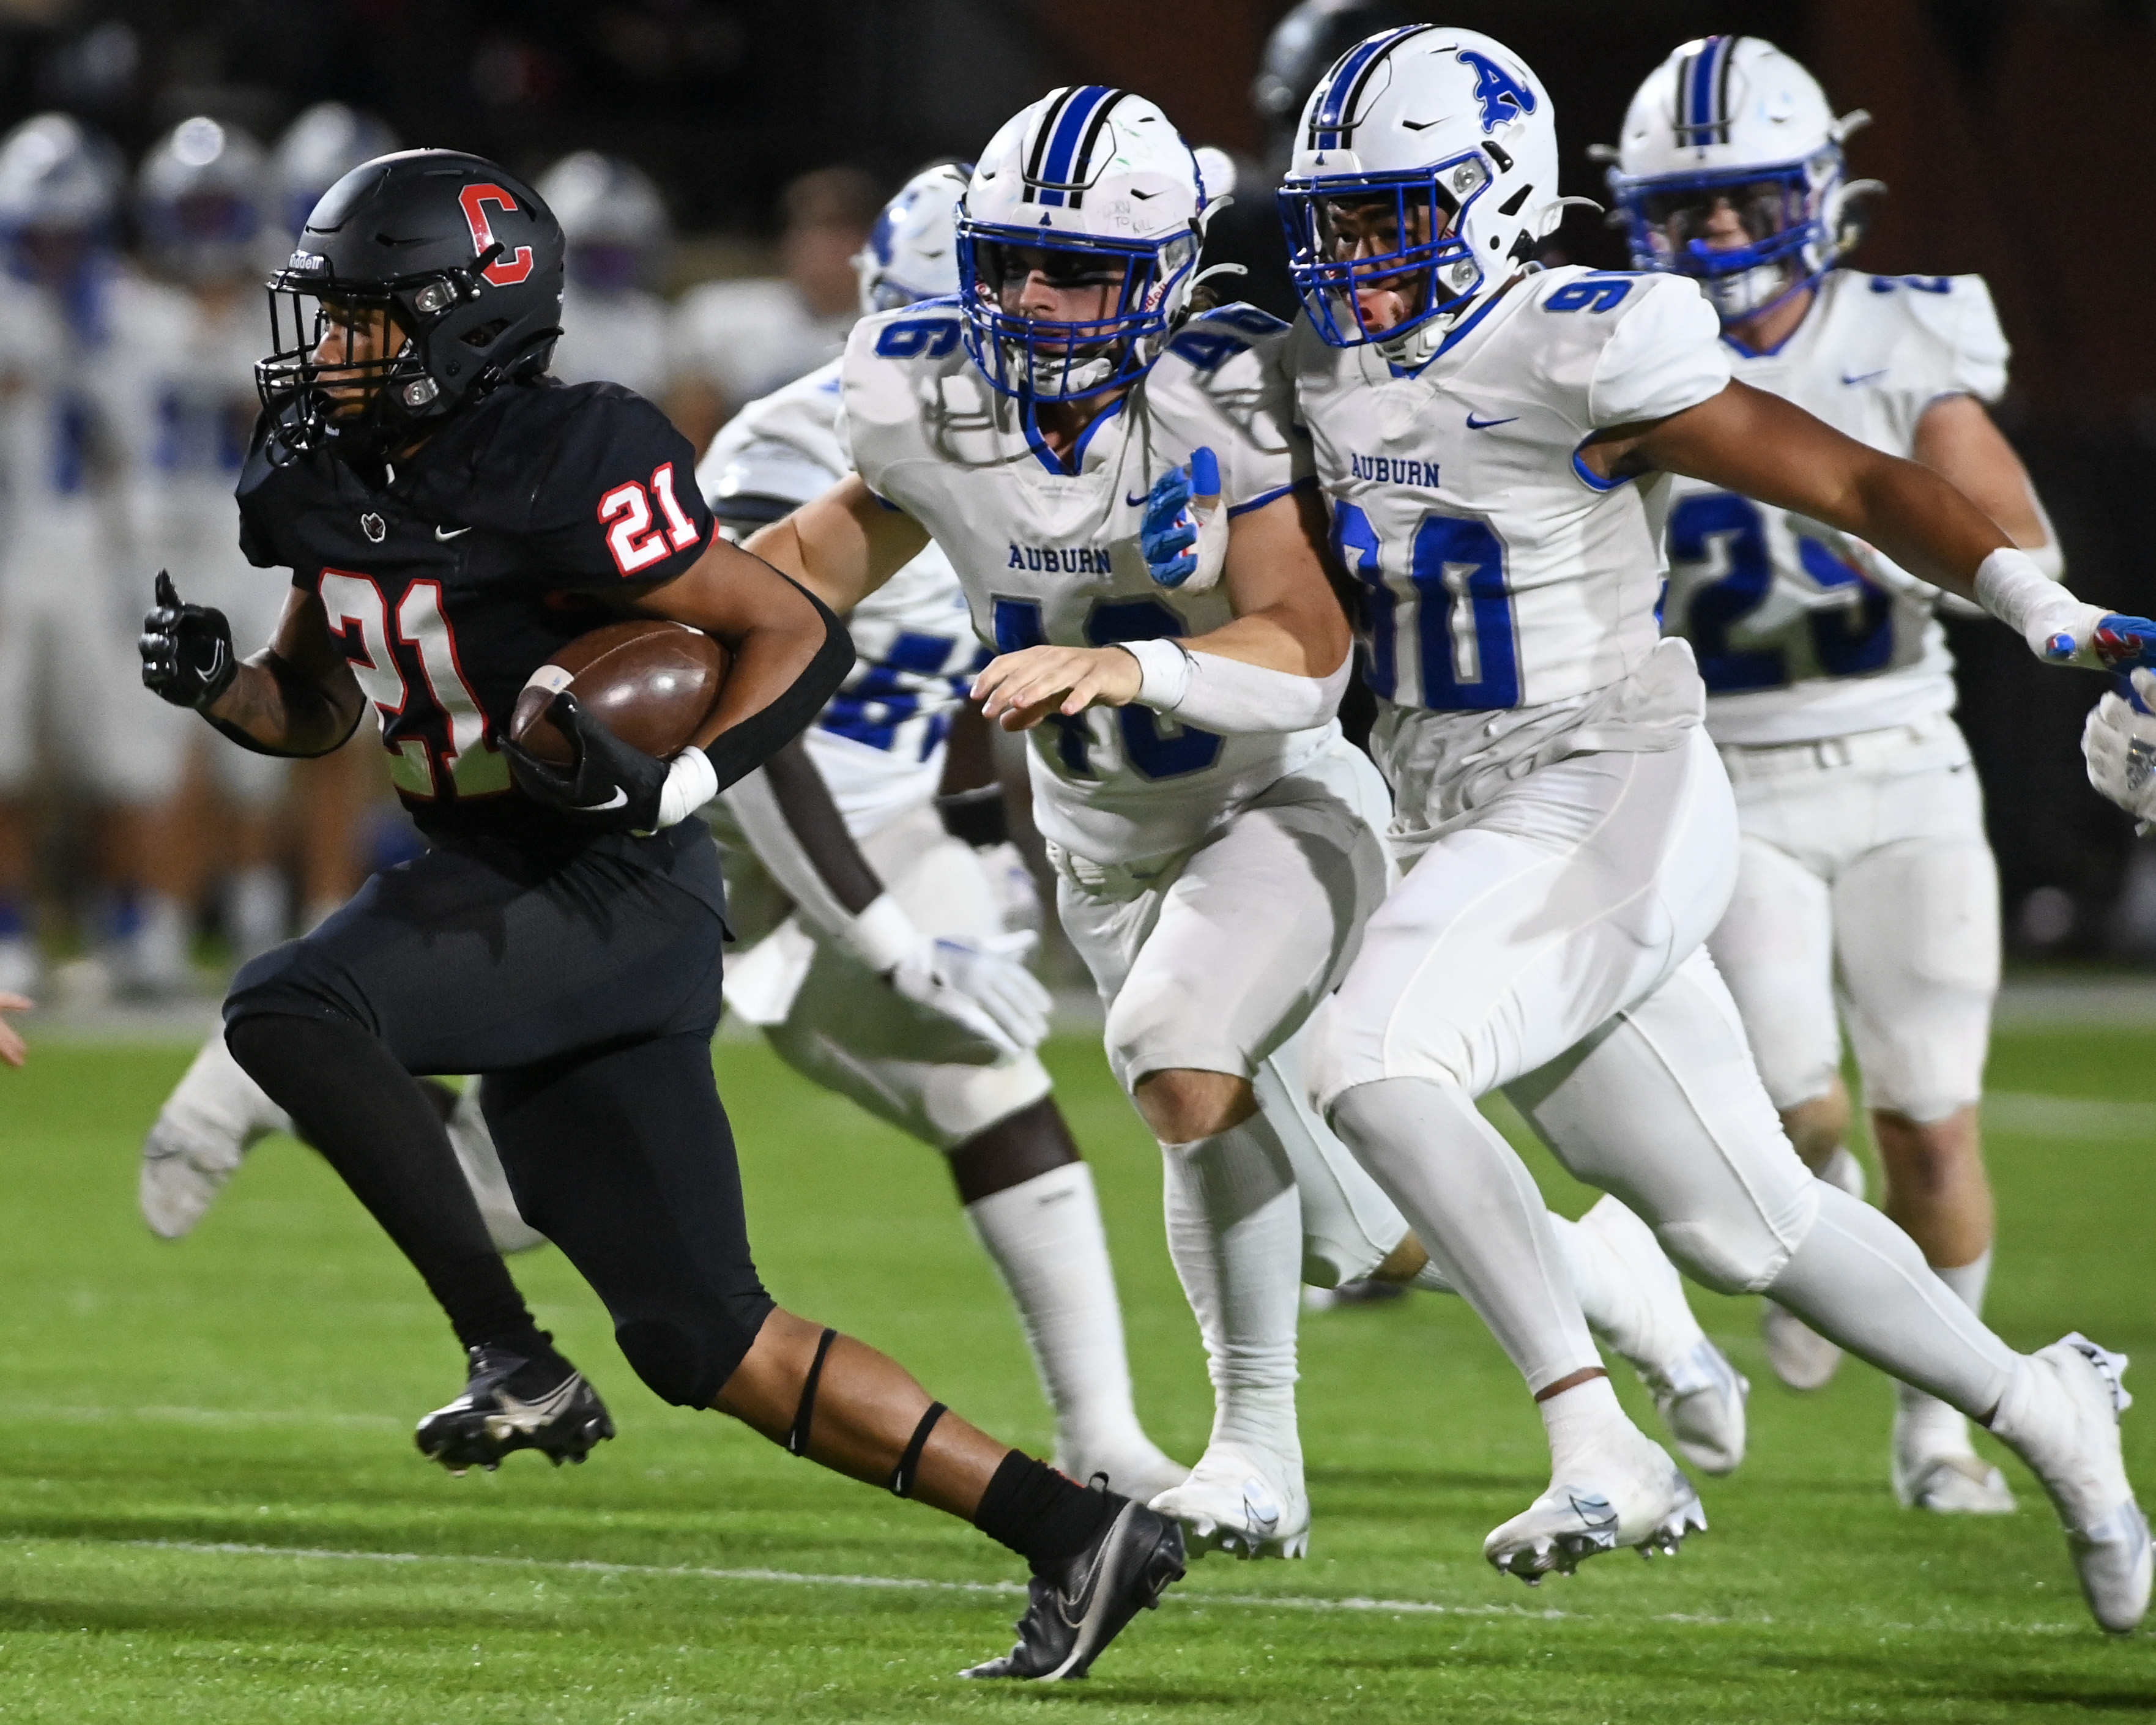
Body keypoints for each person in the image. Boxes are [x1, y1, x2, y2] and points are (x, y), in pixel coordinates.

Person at [136, 146, 1184, 1683]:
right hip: (507, 878)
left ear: (470, 316)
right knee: (707, 1335)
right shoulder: (316, 465)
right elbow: (321, 694)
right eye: (332, 316)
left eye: (368, 318)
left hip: (603, 877)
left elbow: (788, 630)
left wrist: (687, 778)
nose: (333, 349)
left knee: (290, 1004)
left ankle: (510, 1355)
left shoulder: (577, 454)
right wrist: (222, 688)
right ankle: (1074, 1530)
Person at [748, 87, 1750, 1567]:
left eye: (1076, 268)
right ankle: (1611, 1276)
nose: (1031, 299)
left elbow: (1307, 639)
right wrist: (642, 617)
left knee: (1169, 1039)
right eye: (1008, 260)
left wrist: (1137, 659)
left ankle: (1264, 1453)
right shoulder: (920, 392)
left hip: (1273, 804)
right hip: (1100, 841)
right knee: (1349, 1221)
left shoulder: (1224, 391)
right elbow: (791, 572)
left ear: (1161, 272)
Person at [1257, 24, 2144, 1630]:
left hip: (1609, 773)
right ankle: (2046, 1412)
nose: (1353, 257)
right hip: (1465, 801)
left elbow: (1857, 485)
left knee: (1370, 1068)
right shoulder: (1318, 359)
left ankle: (1594, 1433)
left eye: (1391, 217)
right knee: (1747, 1221)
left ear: (1501, 195)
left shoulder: (1581, 338)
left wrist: (2040, 606)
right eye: (1334, 222)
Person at [1608, 35, 2059, 1515]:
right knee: (1794, 1101)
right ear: (1637, 214)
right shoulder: (1616, 343)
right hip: (1721, 776)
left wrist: (1919, 541)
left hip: (1901, 759)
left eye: (1744, 202)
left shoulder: (1898, 333)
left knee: (1930, 1112)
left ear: (1817, 190)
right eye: (1690, 209)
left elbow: (2015, 531)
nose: (1719, 235)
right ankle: (1817, 1227)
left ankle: (1936, 1431)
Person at [0, 114, 196, 996]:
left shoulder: (138, 314)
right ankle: (10, 931)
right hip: (10, 547)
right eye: (38, 233)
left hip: (104, 552)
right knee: (2, 757)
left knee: (129, 755)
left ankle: (139, 925)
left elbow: (147, 443)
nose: (53, 249)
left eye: (67, 232)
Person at [130, 115, 296, 966]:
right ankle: (162, 922)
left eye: (216, 210)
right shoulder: (127, 308)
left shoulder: (287, 303)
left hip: (255, 538)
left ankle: (259, 911)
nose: (204, 230)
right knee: (165, 738)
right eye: (191, 212)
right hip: (160, 539)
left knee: (259, 723)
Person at [666, 166, 880, 453]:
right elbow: (688, 438)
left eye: (848, 232)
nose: (832, 248)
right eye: (819, 228)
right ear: (787, 242)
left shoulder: (894, 330)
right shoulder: (723, 314)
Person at [537, 152, 674, 401]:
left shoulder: (654, 324)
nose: (609, 263)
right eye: (595, 252)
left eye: (619, 252)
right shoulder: (540, 323)